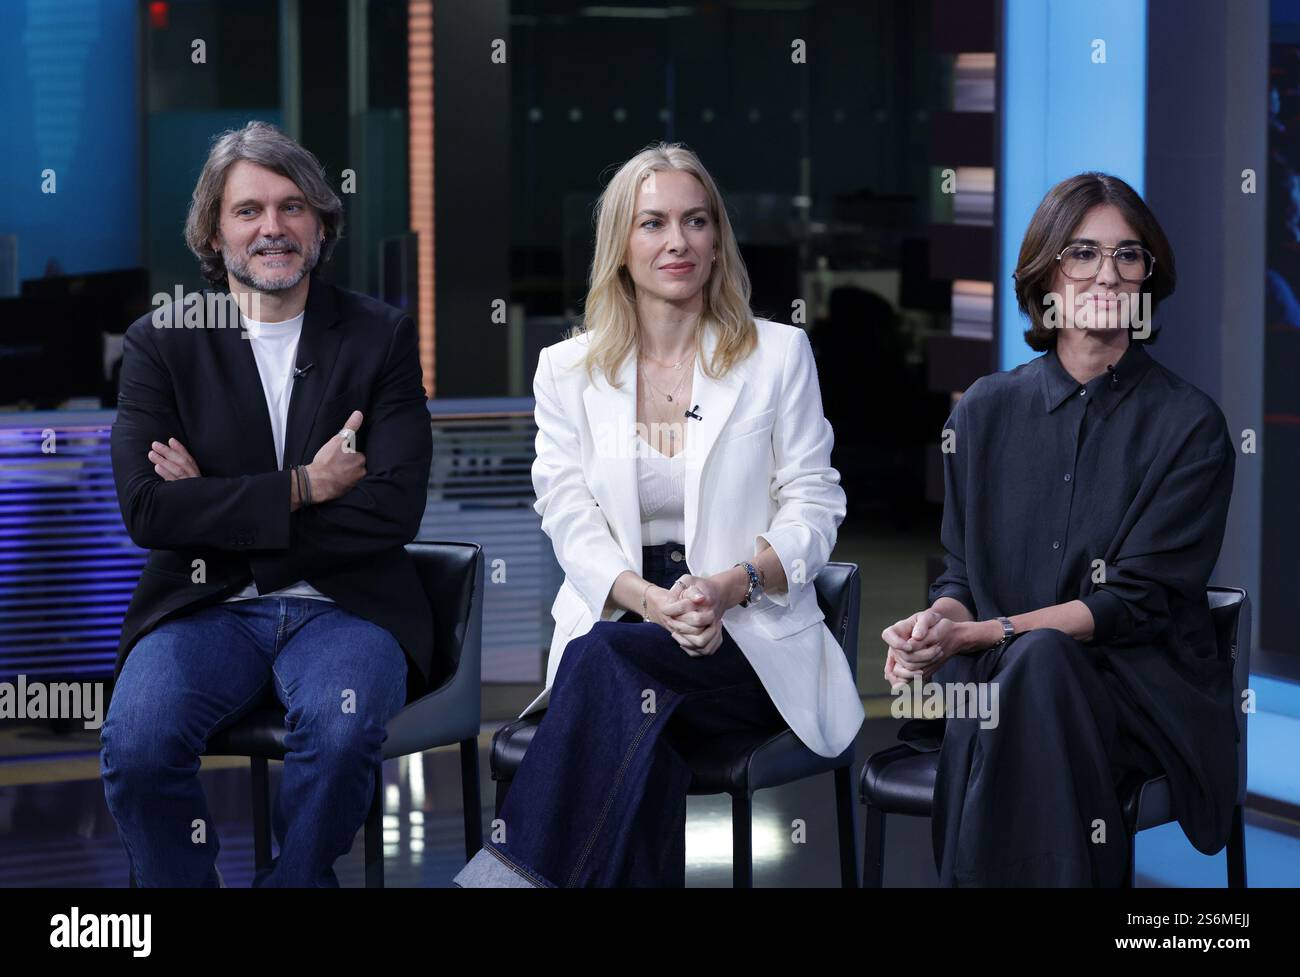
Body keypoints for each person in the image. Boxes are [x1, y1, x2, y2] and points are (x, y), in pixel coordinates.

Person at [455, 142, 863, 887]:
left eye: (695, 221)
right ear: (621, 245)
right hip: (627, 625)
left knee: (604, 664)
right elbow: (566, 510)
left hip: (746, 640)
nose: (677, 241)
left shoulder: (778, 354)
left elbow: (816, 501)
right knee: (639, 729)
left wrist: (728, 585)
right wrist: (645, 600)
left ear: (717, 241)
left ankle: (500, 880)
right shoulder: (568, 371)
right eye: (653, 223)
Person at [100, 121, 434, 887]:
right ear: (214, 233)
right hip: (203, 606)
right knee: (139, 741)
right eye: (248, 210)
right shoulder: (162, 341)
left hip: (348, 608)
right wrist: (305, 487)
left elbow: (394, 508)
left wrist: (218, 508)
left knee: (342, 729)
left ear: (322, 223)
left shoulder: (380, 336)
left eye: (293, 207)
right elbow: (148, 511)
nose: (272, 228)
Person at [882, 172, 1237, 887]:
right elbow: (960, 578)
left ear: (1148, 277)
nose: (1107, 273)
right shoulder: (983, 411)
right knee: (1030, 675)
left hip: (1136, 695)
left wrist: (978, 635)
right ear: (1045, 272)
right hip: (1006, 691)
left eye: (1128, 255)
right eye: (1082, 253)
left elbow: (1127, 605)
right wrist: (932, 625)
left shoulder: (1189, 425)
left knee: (1040, 665)